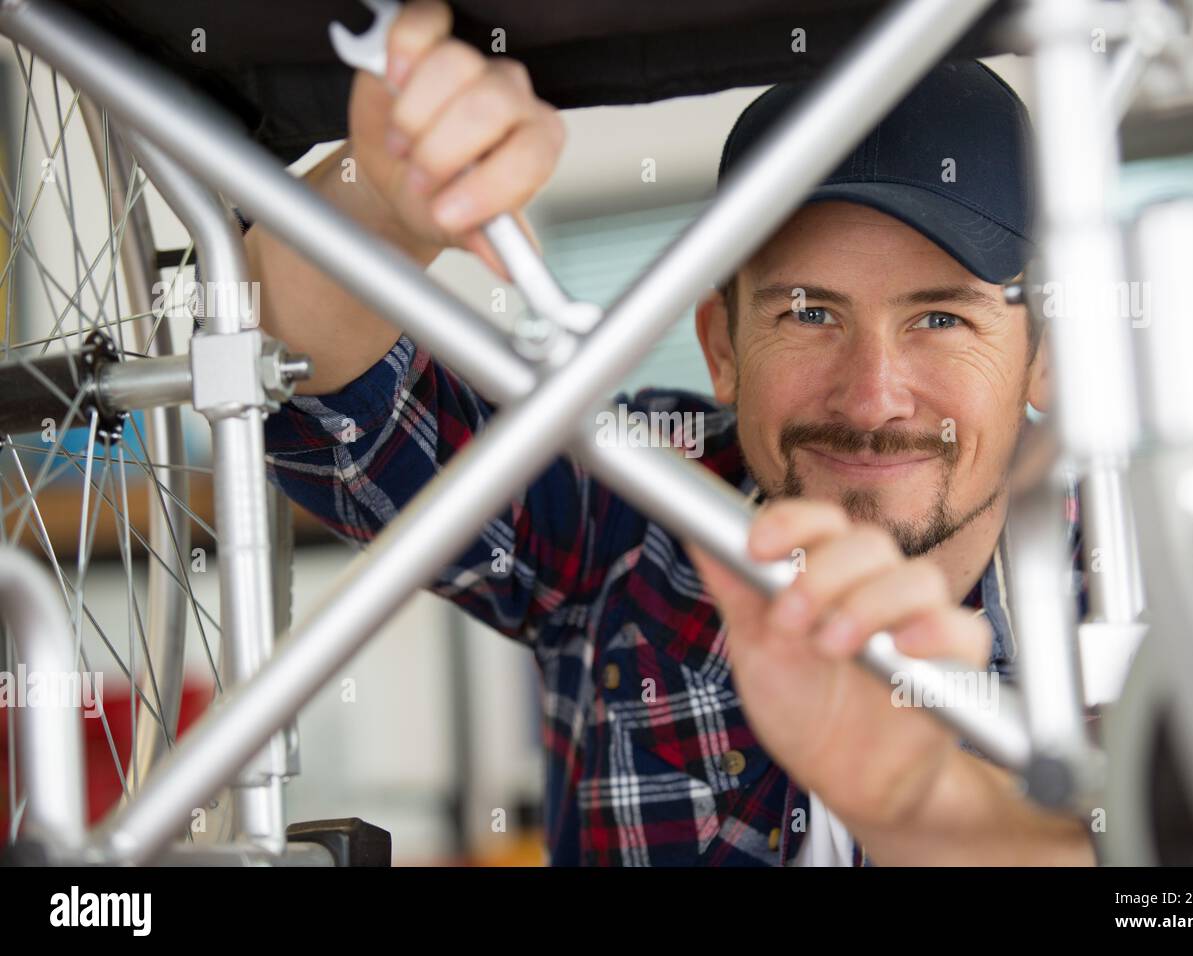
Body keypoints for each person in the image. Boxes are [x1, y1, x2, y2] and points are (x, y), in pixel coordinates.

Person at [248, 0, 1094, 865]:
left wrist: (918, 805)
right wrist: (385, 205)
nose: (873, 398)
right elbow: (307, 389)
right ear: (722, 347)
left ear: (1046, 355)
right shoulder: (636, 492)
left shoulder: (1159, 587)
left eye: (942, 320)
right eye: (809, 313)